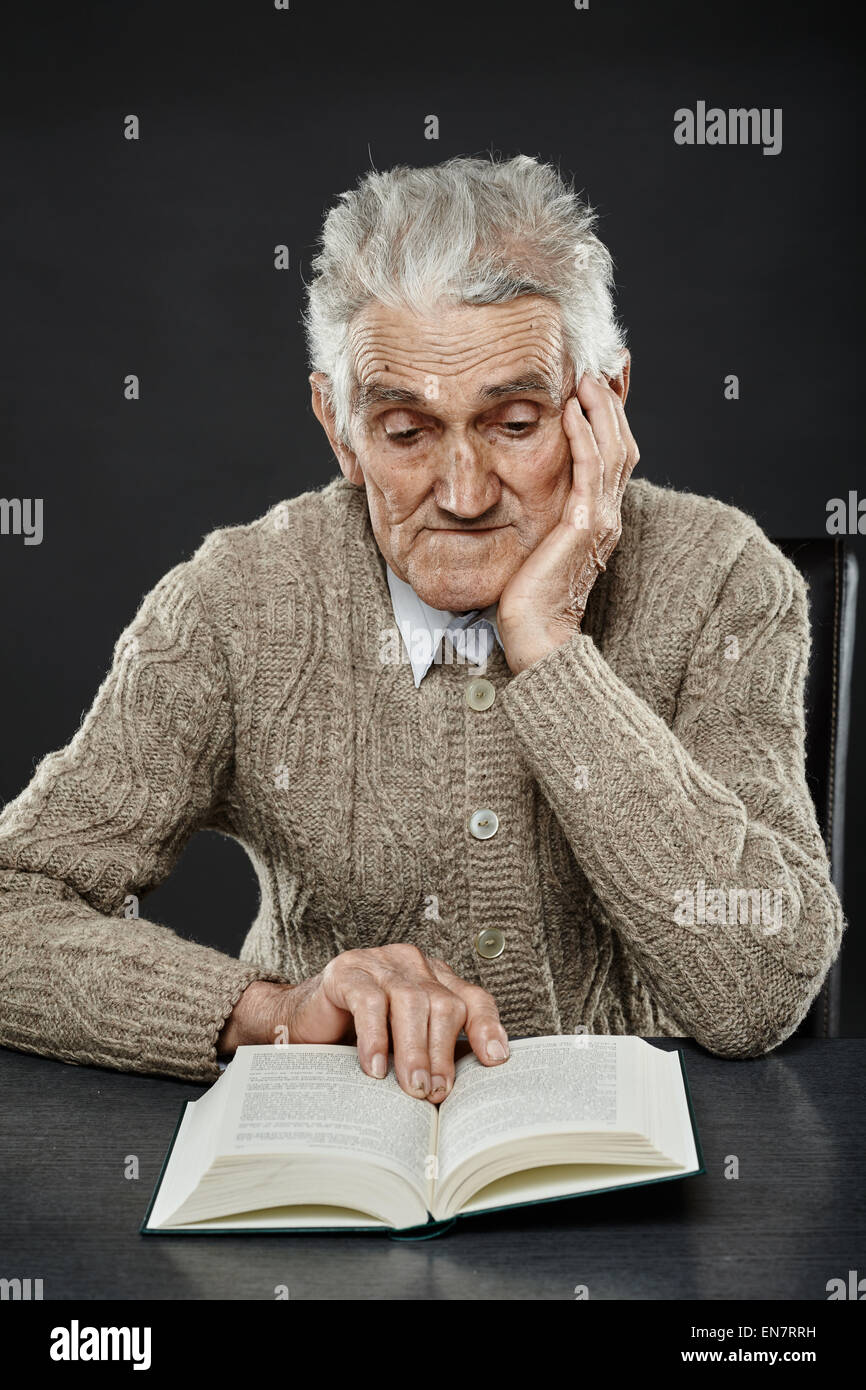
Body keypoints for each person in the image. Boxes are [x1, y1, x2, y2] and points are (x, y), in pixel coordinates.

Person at [0, 154, 844, 1103]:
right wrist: (270, 1013)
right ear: (338, 427)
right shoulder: (237, 599)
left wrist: (548, 641)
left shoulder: (725, 577)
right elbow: (11, 909)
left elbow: (762, 988)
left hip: (640, 1191)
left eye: (516, 422)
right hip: (334, 1172)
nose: (464, 493)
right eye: (405, 432)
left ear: (603, 399)